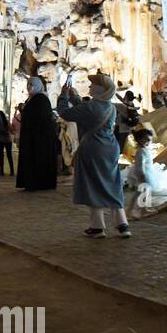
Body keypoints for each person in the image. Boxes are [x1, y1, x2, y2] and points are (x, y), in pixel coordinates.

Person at [58, 72, 129, 238]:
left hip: (92, 149)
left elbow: (66, 113)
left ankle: (97, 226)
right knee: (112, 184)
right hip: (110, 148)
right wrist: (74, 96)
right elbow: (84, 110)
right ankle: (122, 224)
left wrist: (63, 95)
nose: (90, 87)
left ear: (100, 89)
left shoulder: (91, 107)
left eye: (93, 85)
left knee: (93, 186)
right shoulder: (111, 107)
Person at [15, 77, 57, 191]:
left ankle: (38, 183)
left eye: (31, 84)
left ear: (38, 85)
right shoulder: (33, 99)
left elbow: (40, 118)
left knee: (38, 159)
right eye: (28, 84)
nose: (29, 87)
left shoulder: (41, 99)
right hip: (33, 136)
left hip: (39, 138)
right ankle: (32, 182)